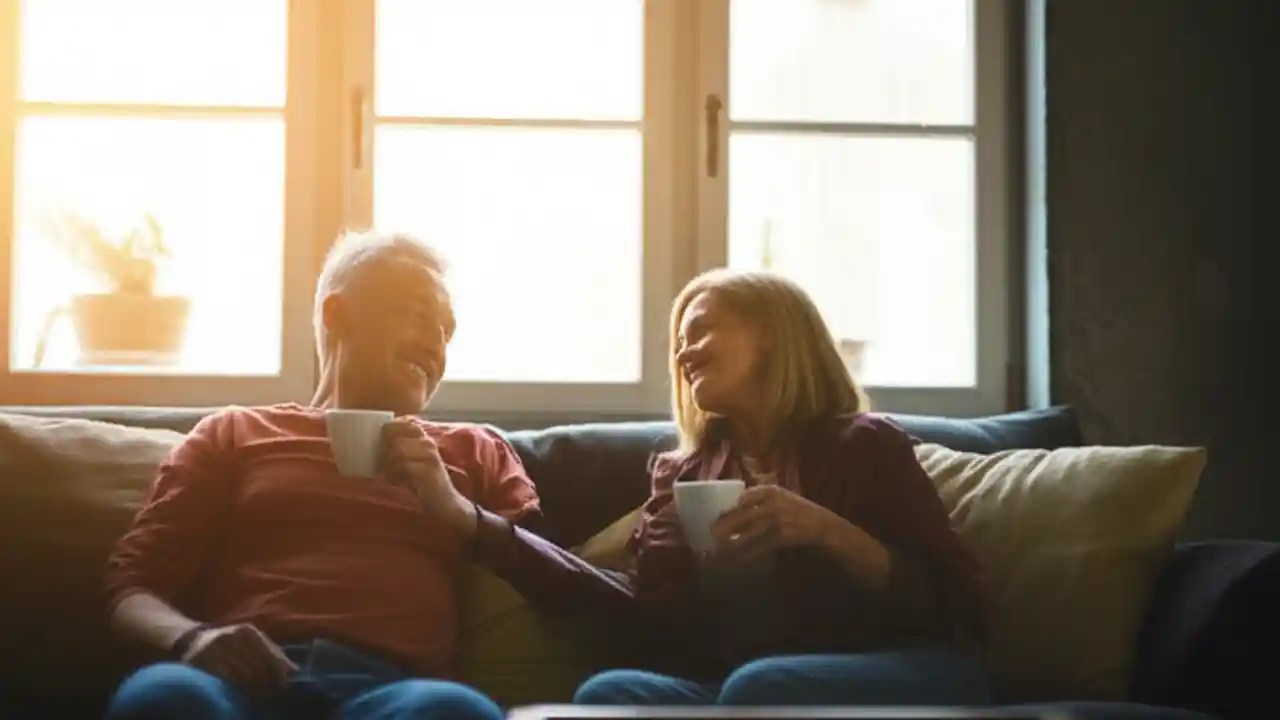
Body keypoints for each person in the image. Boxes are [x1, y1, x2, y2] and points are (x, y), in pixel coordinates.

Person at [103, 231, 633, 720]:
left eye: (447, 332)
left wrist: (455, 510)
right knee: (162, 696)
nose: (436, 345)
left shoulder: (474, 448)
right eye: (419, 316)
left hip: (395, 693)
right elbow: (133, 590)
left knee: (453, 712)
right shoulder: (235, 432)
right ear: (338, 315)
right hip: (240, 682)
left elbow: (557, 581)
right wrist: (193, 640)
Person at [573, 268, 992, 707]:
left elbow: (959, 609)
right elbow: (657, 633)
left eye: (699, 330)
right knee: (606, 694)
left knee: (761, 686)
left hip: (894, 661)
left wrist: (826, 531)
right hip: (747, 675)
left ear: (769, 333)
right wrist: (698, 570)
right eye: (679, 343)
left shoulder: (866, 445)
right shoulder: (683, 474)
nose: (683, 355)